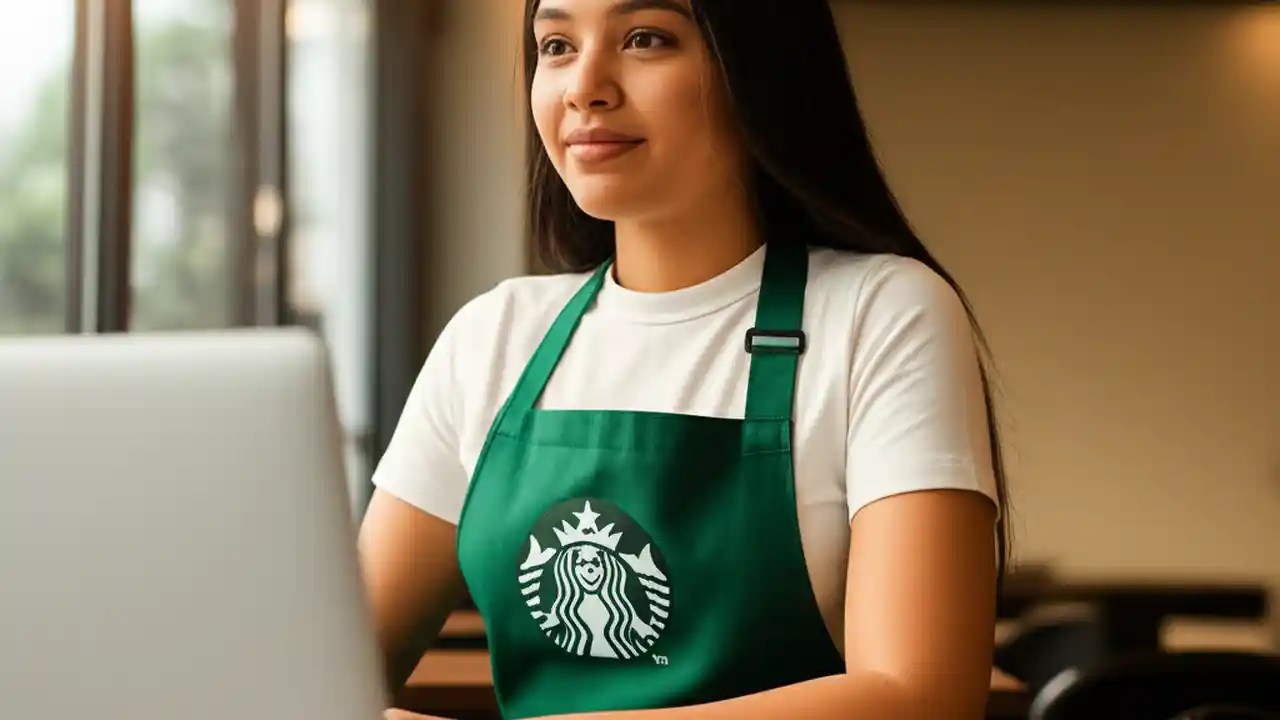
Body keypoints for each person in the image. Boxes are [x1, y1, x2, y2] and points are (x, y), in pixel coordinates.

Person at [361, 0, 1011, 717]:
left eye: (645, 39)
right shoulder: (492, 337)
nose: (585, 86)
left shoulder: (880, 312)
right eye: (555, 44)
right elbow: (323, 663)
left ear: (755, 70)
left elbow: (920, 697)